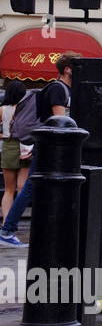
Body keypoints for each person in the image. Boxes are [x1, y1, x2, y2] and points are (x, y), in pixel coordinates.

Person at [0, 52, 78, 246]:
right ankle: (7, 230)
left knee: (35, 188)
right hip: (52, 148)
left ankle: (14, 230)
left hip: (47, 147)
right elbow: (61, 124)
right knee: (29, 189)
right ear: (67, 69)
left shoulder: (61, 89)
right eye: (78, 66)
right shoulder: (59, 90)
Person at [1, 82, 32, 225]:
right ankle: (15, 221)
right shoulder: (27, 108)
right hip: (26, 146)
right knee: (22, 188)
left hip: (9, 145)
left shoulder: (2, 109)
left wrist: (4, 135)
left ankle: (7, 221)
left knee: (8, 189)